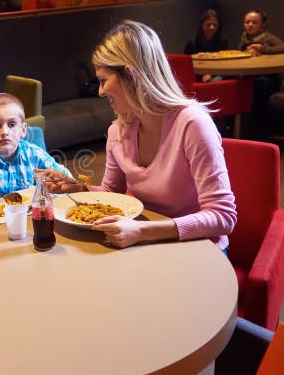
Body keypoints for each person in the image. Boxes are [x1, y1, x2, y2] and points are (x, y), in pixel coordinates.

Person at [40, 20, 236, 252]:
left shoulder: (193, 124)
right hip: (145, 242)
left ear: (131, 76)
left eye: (103, 81)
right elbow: (112, 194)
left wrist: (142, 232)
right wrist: (77, 188)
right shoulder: (118, 130)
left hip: (199, 249)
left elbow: (223, 217)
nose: (100, 92)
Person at [0, 92, 73, 217]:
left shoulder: (34, 154)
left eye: (12, 125)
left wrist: (52, 190)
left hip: (29, 218)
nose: (5, 132)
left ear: (23, 130)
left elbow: (67, 181)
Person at [238, 9, 284, 137]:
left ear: (262, 25)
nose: (250, 25)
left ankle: (256, 132)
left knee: (256, 87)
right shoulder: (244, 38)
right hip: (250, 76)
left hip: (268, 78)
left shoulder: (266, 37)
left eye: (254, 22)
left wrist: (264, 49)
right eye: (247, 22)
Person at [185, 9, 228, 83]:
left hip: (216, 74)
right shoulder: (192, 42)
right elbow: (186, 65)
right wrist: (202, 75)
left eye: (215, 25)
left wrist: (211, 74)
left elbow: (223, 63)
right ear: (202, 25)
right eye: (208, 24)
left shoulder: (223, 41)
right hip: (197, 75)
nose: (212, 27)